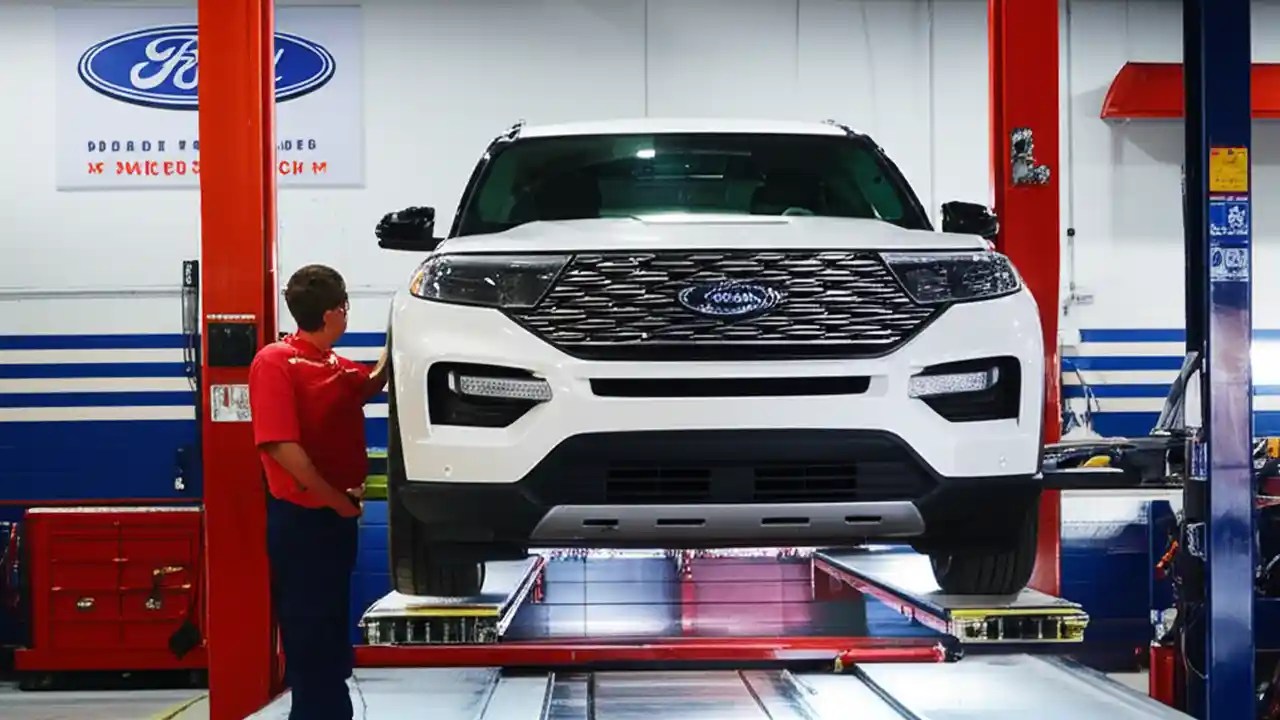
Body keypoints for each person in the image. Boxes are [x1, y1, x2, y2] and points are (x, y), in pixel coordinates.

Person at [248, 264, 389, 720]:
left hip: (335, 517)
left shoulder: (331, 364)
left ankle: (332, 712)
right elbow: (282, 447)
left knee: (329, 626)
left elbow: (367, 385)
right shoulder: (274, 362)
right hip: (303, 518)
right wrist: (335, 500)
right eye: (346, 308)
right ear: (335, 312)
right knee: (309, 628)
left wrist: (399, 339)